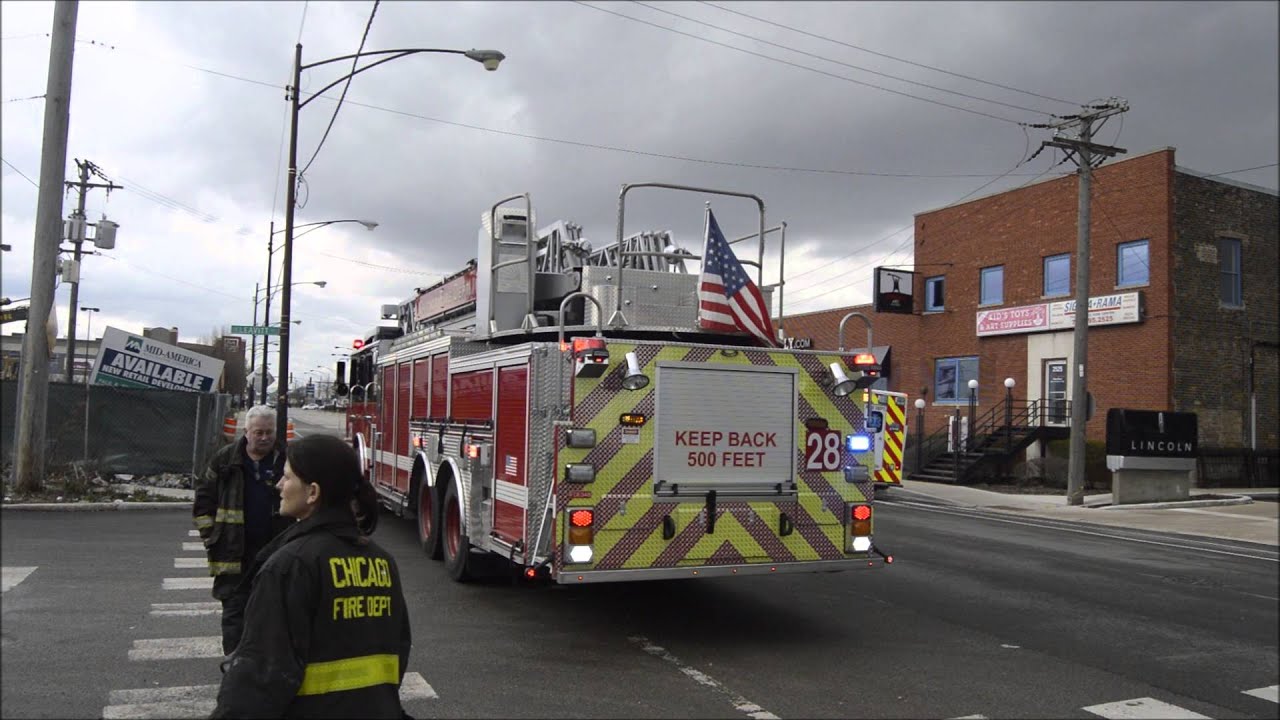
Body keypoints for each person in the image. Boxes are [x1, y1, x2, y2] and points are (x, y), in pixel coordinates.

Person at [211, 434, 411, 719]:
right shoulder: (381, 562)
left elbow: (261, 674)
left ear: (313, 492)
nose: (279, 485)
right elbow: (397, 651)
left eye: (287, 477)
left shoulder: (290, 565)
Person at [193, 404, 290, 655]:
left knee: (273, 613)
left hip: (275, 553)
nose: (265, 437)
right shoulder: (225, 460)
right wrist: (211, 537)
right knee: (235, 612)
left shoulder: (288, 461)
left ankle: (263, 664)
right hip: (233, 553)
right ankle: (234, 664)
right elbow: (203, 501)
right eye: (259, 432)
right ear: (246, 431)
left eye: (269, 432)